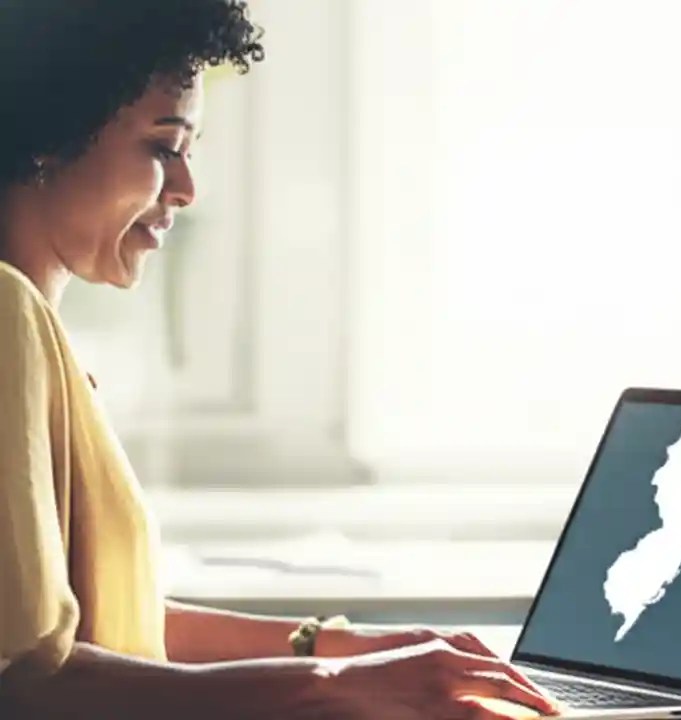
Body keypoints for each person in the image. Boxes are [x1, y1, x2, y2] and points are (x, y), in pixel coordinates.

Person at [0, 2, 558, 718]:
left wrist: (331, 647)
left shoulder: (36, 332)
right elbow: (28, 681)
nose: (186, 190)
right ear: (51, 132)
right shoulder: (8, 316)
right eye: (162, 147)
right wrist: (339, 689)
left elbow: (109, 624)